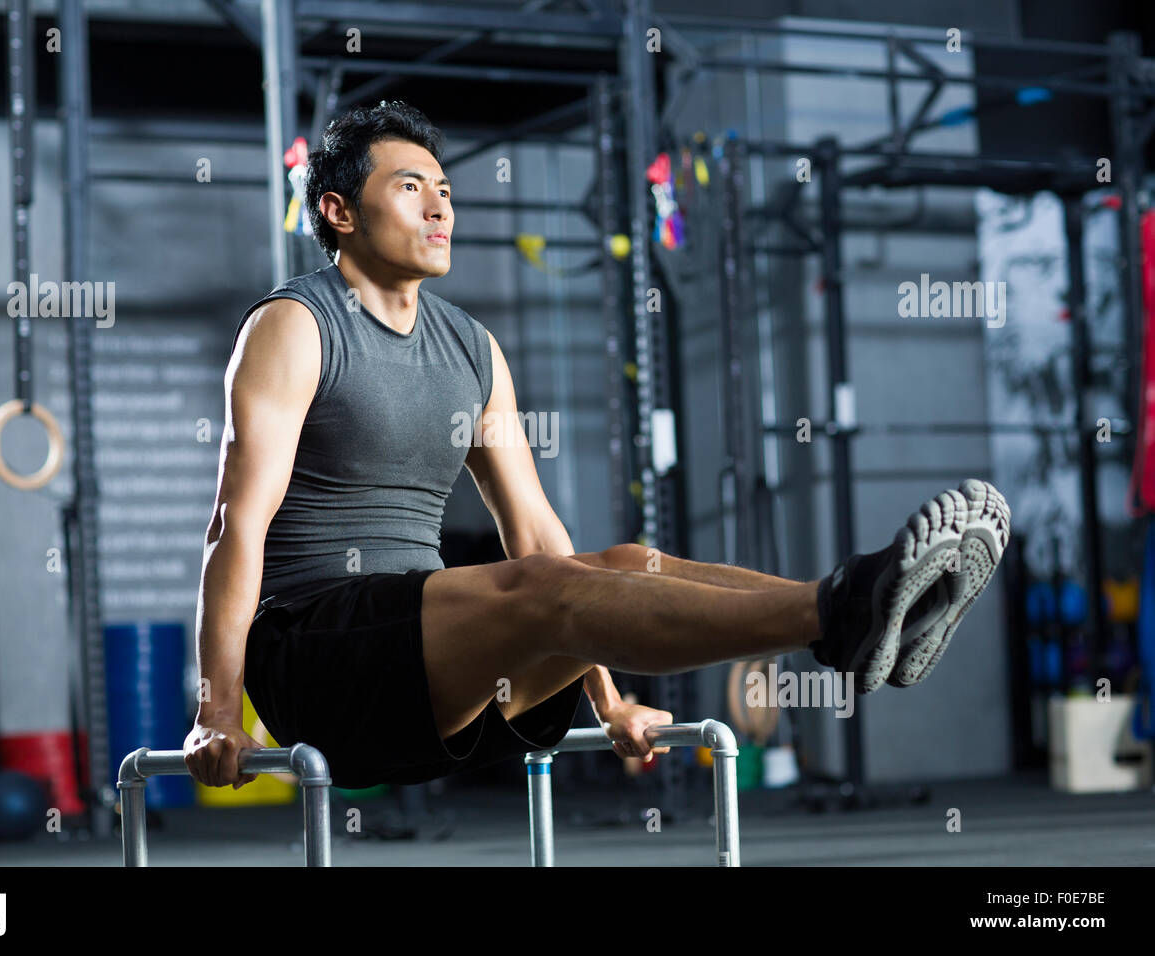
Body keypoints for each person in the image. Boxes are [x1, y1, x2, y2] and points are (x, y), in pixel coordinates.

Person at [183, 100, 1010, 792]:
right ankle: (843, 610)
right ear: (338, 212)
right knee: (547, 588)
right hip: (318, 662)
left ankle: (841, 612)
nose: (442, 209)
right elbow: (234, 526)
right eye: (410, 188)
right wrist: (218, 709)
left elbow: (538, 536)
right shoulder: (295, 326)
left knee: (619, 562)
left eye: (444, 189)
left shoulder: (472, 348)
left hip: (430, 659)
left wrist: (610, 702)